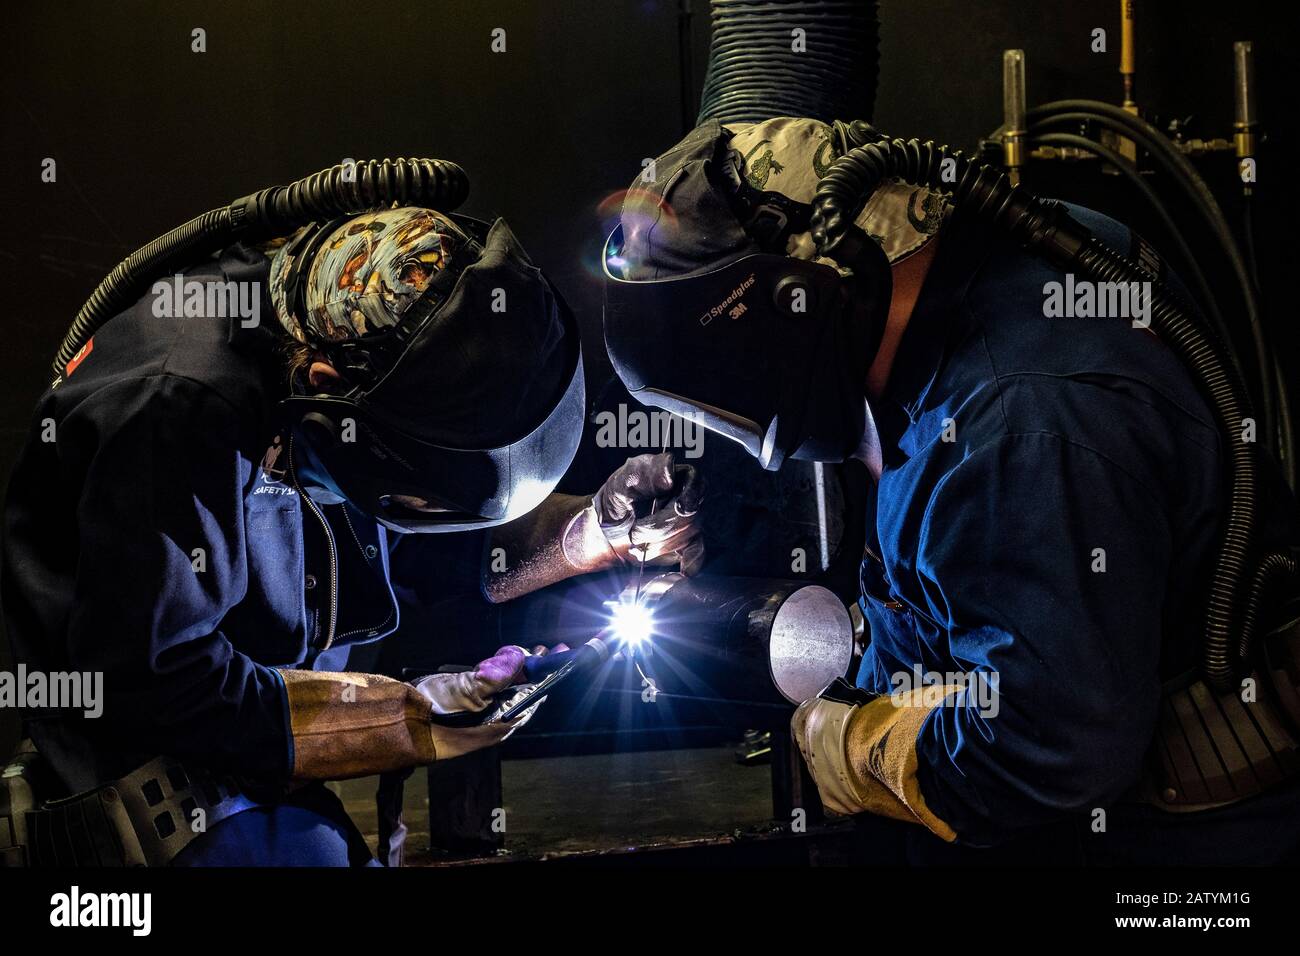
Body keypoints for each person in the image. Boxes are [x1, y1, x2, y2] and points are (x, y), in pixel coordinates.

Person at [602, 115, 1300, 864]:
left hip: (1177, 841)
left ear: (797, 301)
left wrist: (858, 748)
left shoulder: (1013, 426)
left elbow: (1048, 748)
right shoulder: (976, 276)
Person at [1, 203, 702, 866]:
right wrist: (397, 719)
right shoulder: (174, 408)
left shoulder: (373, 356)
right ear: (325, 389)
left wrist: (590, 530)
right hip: (162, 820)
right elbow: (161, 686)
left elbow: (431, 543)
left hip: (273, 793)